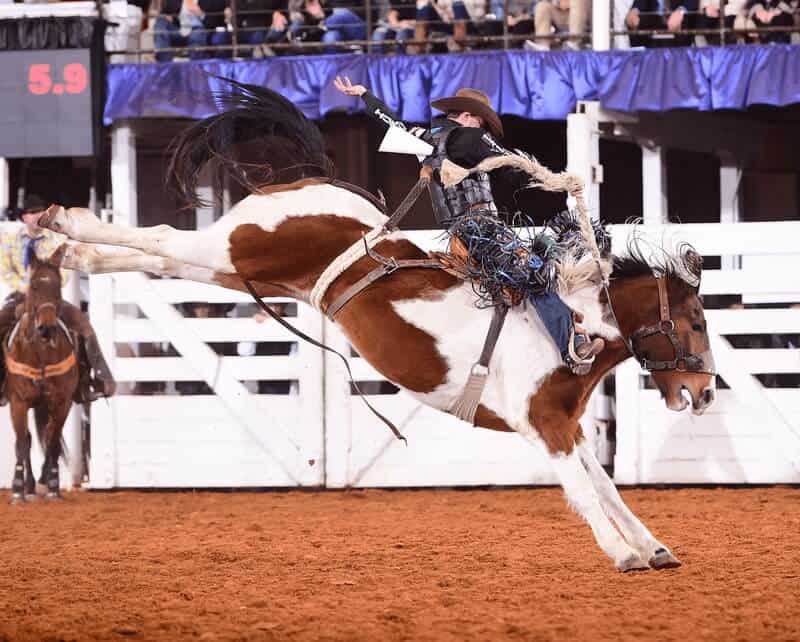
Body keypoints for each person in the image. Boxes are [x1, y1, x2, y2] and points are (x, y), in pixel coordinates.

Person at [333, 76, 605, 375]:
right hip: (483, 230)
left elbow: (391, 122)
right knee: (535, 273)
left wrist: (365, 95)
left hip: (458, 234)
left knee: (538, 260)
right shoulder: (470, 138)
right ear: (468, 116)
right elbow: (512, 167)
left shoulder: (424, 137)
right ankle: (573, 345)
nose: (483, 130)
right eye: (481, 122)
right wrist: (558, 185)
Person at [0, 196, 116, 404]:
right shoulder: (10, 240)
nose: (37, 217)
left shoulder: (56, 242)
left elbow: (65, 271)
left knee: (83, 325)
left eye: (40, 212)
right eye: (32, 213)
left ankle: (97, 379)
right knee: (0, 324)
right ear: (24, 217)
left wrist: (48, 288)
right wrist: (25, 287)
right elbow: (5, 268)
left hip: (49, 298)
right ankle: (2, 383)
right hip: (21, 296)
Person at [625, 0, 697, 48]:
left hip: (679, 33)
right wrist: (634, 11)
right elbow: (638, 6)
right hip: (652, 33)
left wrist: (681, 11)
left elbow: (692, 3)